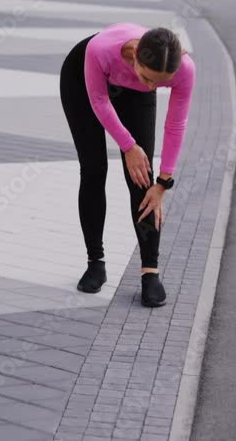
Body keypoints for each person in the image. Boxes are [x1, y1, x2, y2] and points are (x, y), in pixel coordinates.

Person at [59, 23, 196, 308]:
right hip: (82, 81)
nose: (151, 87)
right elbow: (99, 101)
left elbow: (176, 124)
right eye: (148, 79)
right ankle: (95, 262)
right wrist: (128, 146)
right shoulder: (101, 50)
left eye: (159, 84)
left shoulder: (182, 69)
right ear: (136, 55)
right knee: (94, 169)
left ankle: (150, 272)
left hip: (128, 88)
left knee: (142, 178)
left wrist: (163, 182)